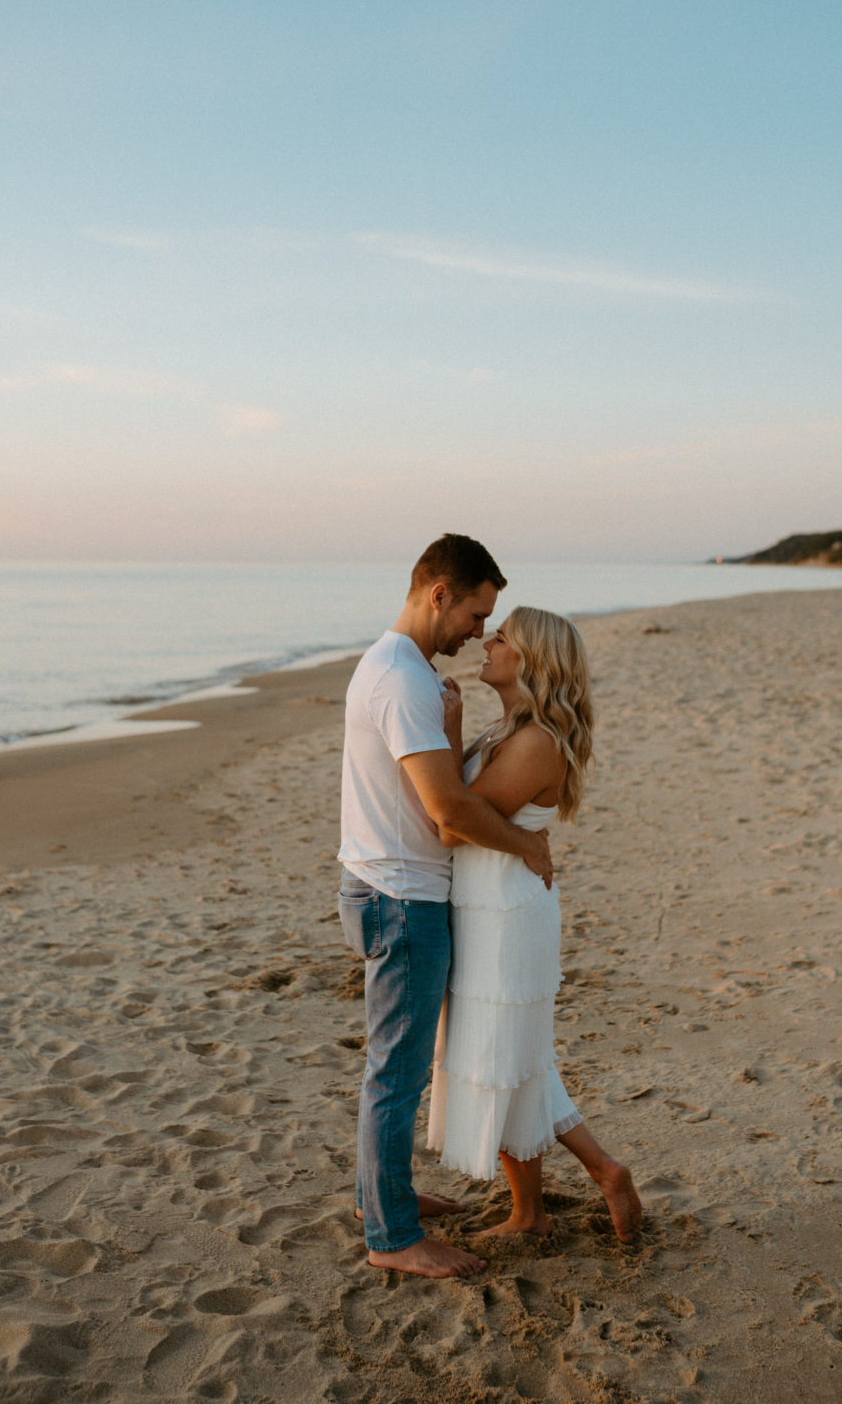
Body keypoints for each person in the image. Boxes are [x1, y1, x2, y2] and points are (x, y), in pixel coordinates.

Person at [338, 535, 555, 1279]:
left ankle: (382, 1198)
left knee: (393, 1066)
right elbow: (449, 812)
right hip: (402, 897)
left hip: (386, 885)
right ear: (439, 595)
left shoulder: (397, 668)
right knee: (396, 1075)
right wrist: (527, 848)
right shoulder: (401, 680)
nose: (477, 631)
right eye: (475, 613)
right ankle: (392, 1237)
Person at [427, 606, 642, 1242]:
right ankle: (580, 1185)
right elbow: (462, 809)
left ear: (531, 659)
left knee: (503, 1059)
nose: (487, 643)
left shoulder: (536, 742)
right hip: (485, 910)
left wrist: (449, 735)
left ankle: (542, 1207)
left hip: (505, 920)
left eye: (501, 638)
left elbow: (453, 824)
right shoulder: (509, 731)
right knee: (516, 1062)